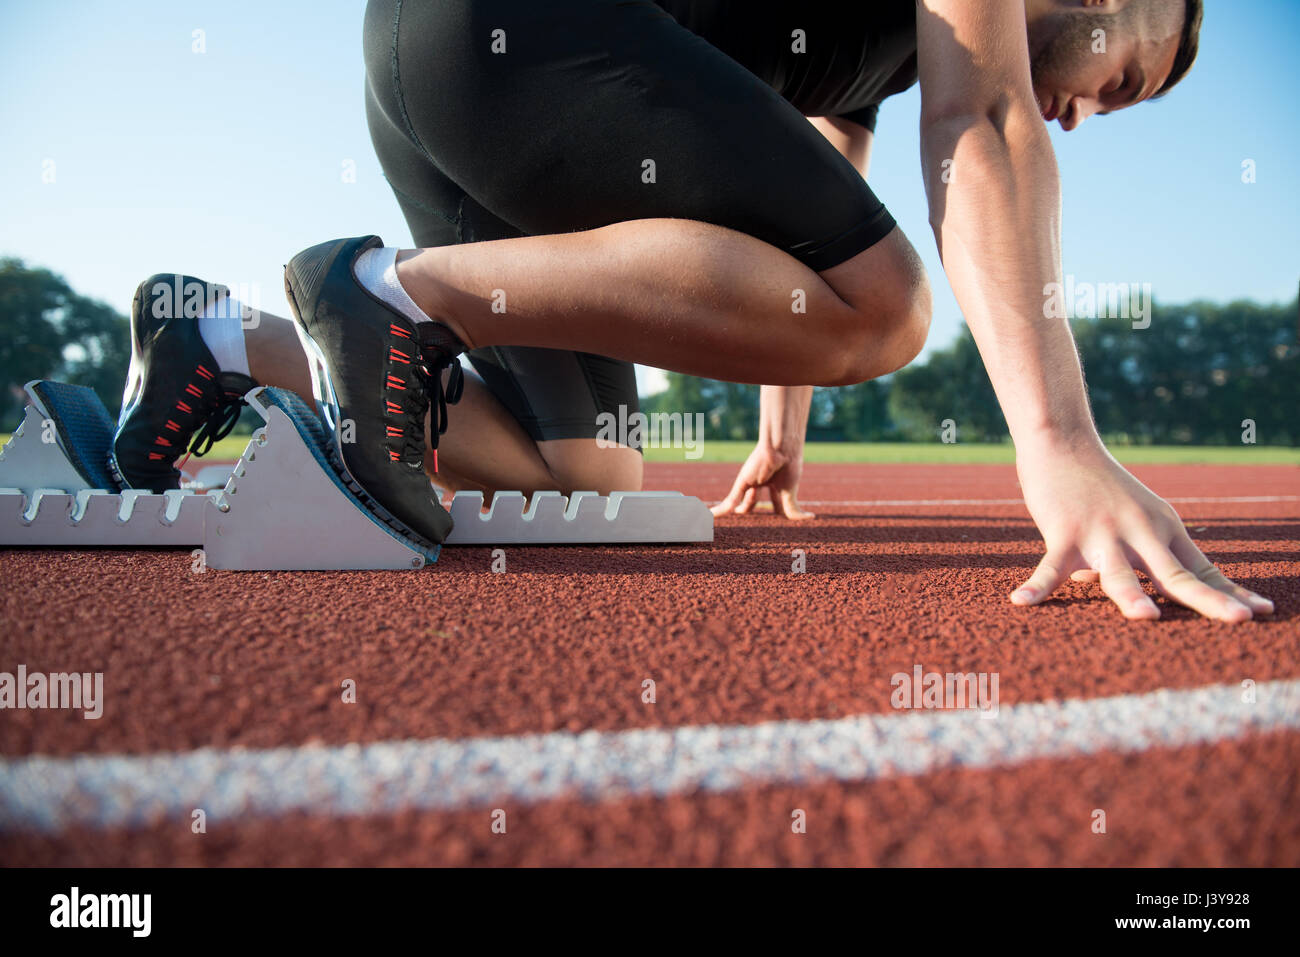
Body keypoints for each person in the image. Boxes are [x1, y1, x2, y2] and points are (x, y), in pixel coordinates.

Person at [112, 0, 1273, 622]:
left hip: (452, 70)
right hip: (530, 38)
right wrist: (1059, 441)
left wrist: (778, 446)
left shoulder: (880, 51)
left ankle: (222, 341)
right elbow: (988, 121)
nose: (1088, 113)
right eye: (1125, 79)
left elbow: (813, 217)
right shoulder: (968, 36)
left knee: (585, 474)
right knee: (891, 313)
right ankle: (392, 290)